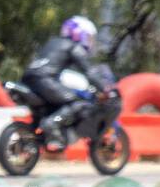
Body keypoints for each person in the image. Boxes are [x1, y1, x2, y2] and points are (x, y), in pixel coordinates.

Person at [22, 16, 108, 150]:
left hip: (29, 78)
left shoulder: (53, 41)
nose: (90, 42)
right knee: (77, 102)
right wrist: (104, 88)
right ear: (80, 34)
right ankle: (52, 124)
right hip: (45, 80)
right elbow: (89, 72)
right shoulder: (73, 46)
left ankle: (44, 132)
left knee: (52, 105)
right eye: (89, 37)